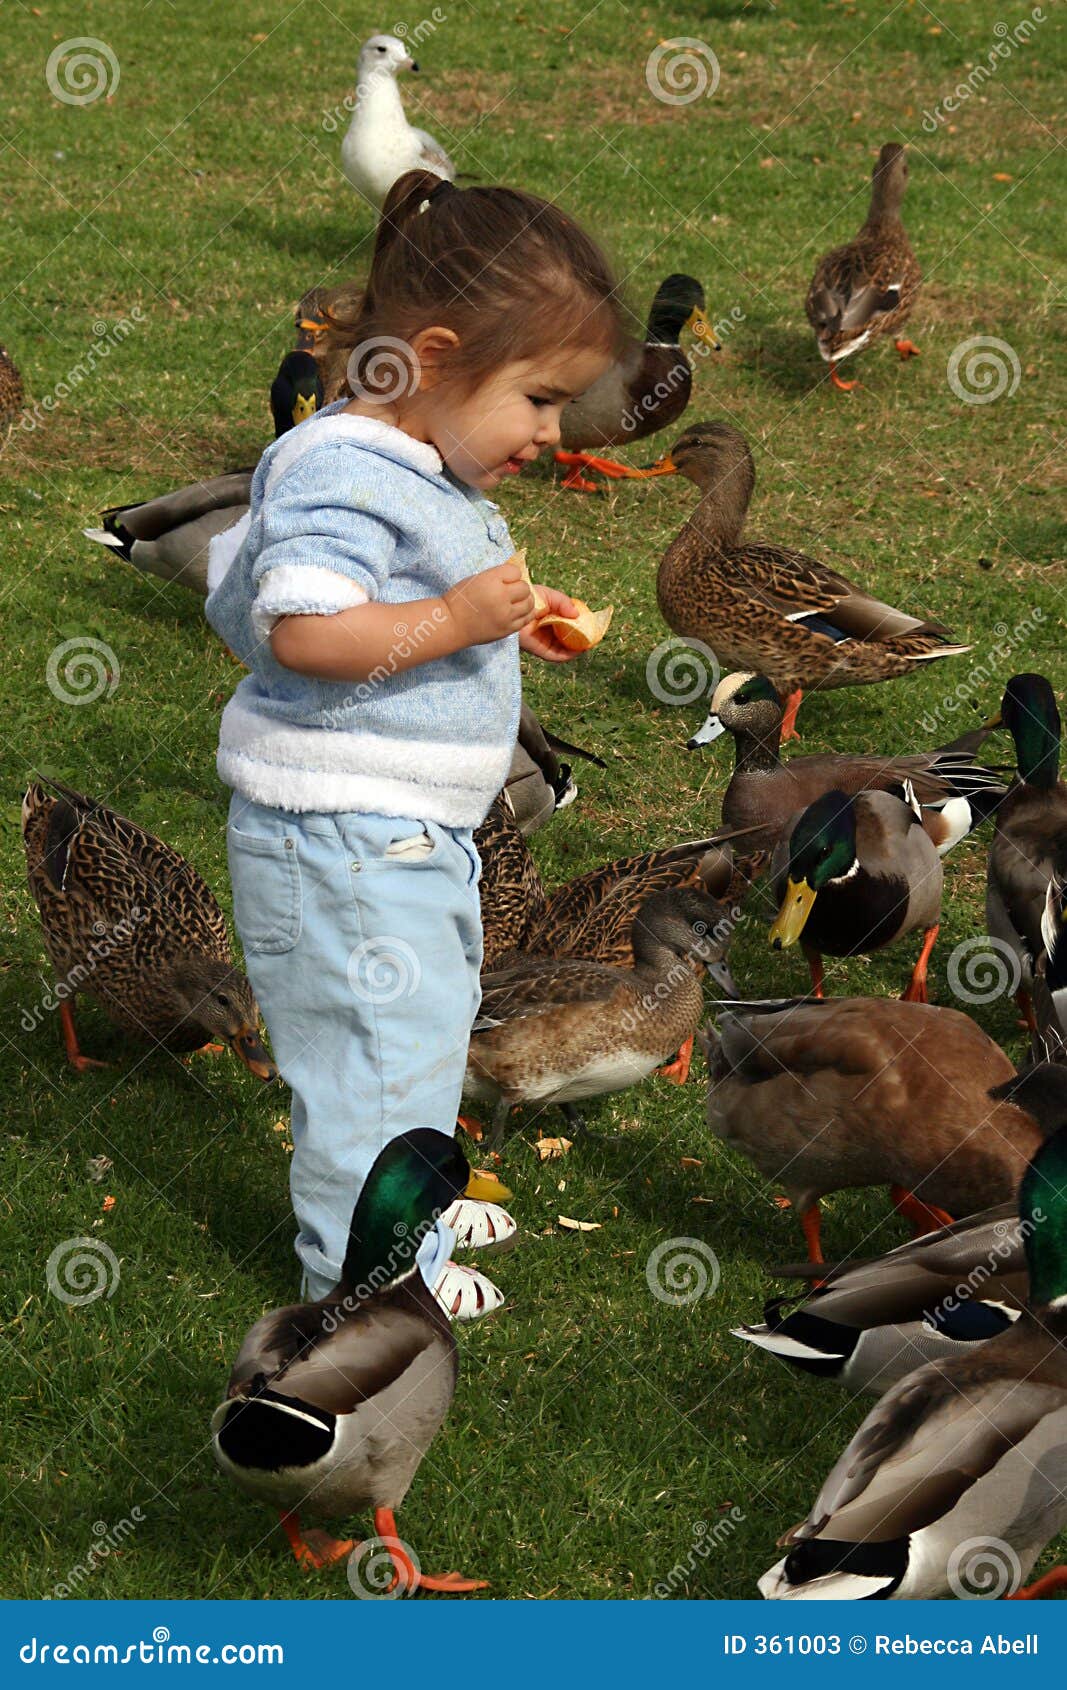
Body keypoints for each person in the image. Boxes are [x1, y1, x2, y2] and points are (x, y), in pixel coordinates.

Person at [206, 168, 625, 1312]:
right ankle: (372, 1294)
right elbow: (302, 629)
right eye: (539, 399)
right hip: (344, 841)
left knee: (420, 1039)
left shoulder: (408, 454)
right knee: (374, 1070)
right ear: (434, 358)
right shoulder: (344, 468)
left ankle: (412, 1215)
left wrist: (495, 624)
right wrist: (452, 619)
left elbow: (377, 606)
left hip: (389, 835)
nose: (552, 432)